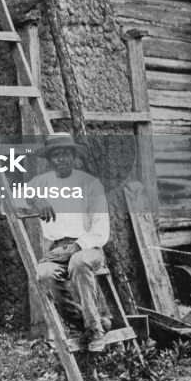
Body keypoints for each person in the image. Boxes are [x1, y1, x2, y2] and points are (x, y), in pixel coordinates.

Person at [29, 133, 111, 352]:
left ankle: (95, 332)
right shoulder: (40, 183)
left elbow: (101, 229)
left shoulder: (90, 184)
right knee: (44, 273)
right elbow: (8, 201)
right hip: (56, 250)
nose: (61, 159)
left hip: (88, 248)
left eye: (65, 153)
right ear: (49, 159)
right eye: (55, 155)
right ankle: (86, 323)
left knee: (78, 262)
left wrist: (76, 247)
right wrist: (36, 200)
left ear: (73, 156)